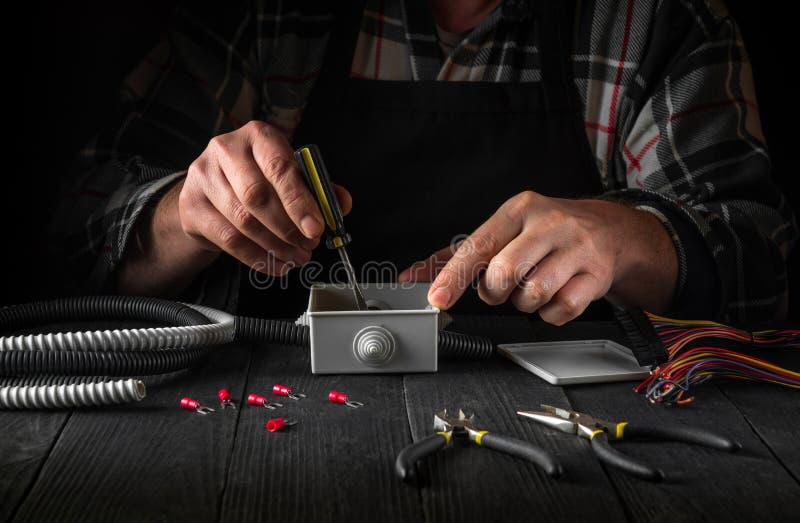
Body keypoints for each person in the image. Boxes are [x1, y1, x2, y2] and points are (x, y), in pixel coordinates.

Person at [52, 0, 797, 327]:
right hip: (266, 430)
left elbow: (765, 269)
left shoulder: (655, 19)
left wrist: (633, 238)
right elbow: (75, 244)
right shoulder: (265, 13)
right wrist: (189, 212)